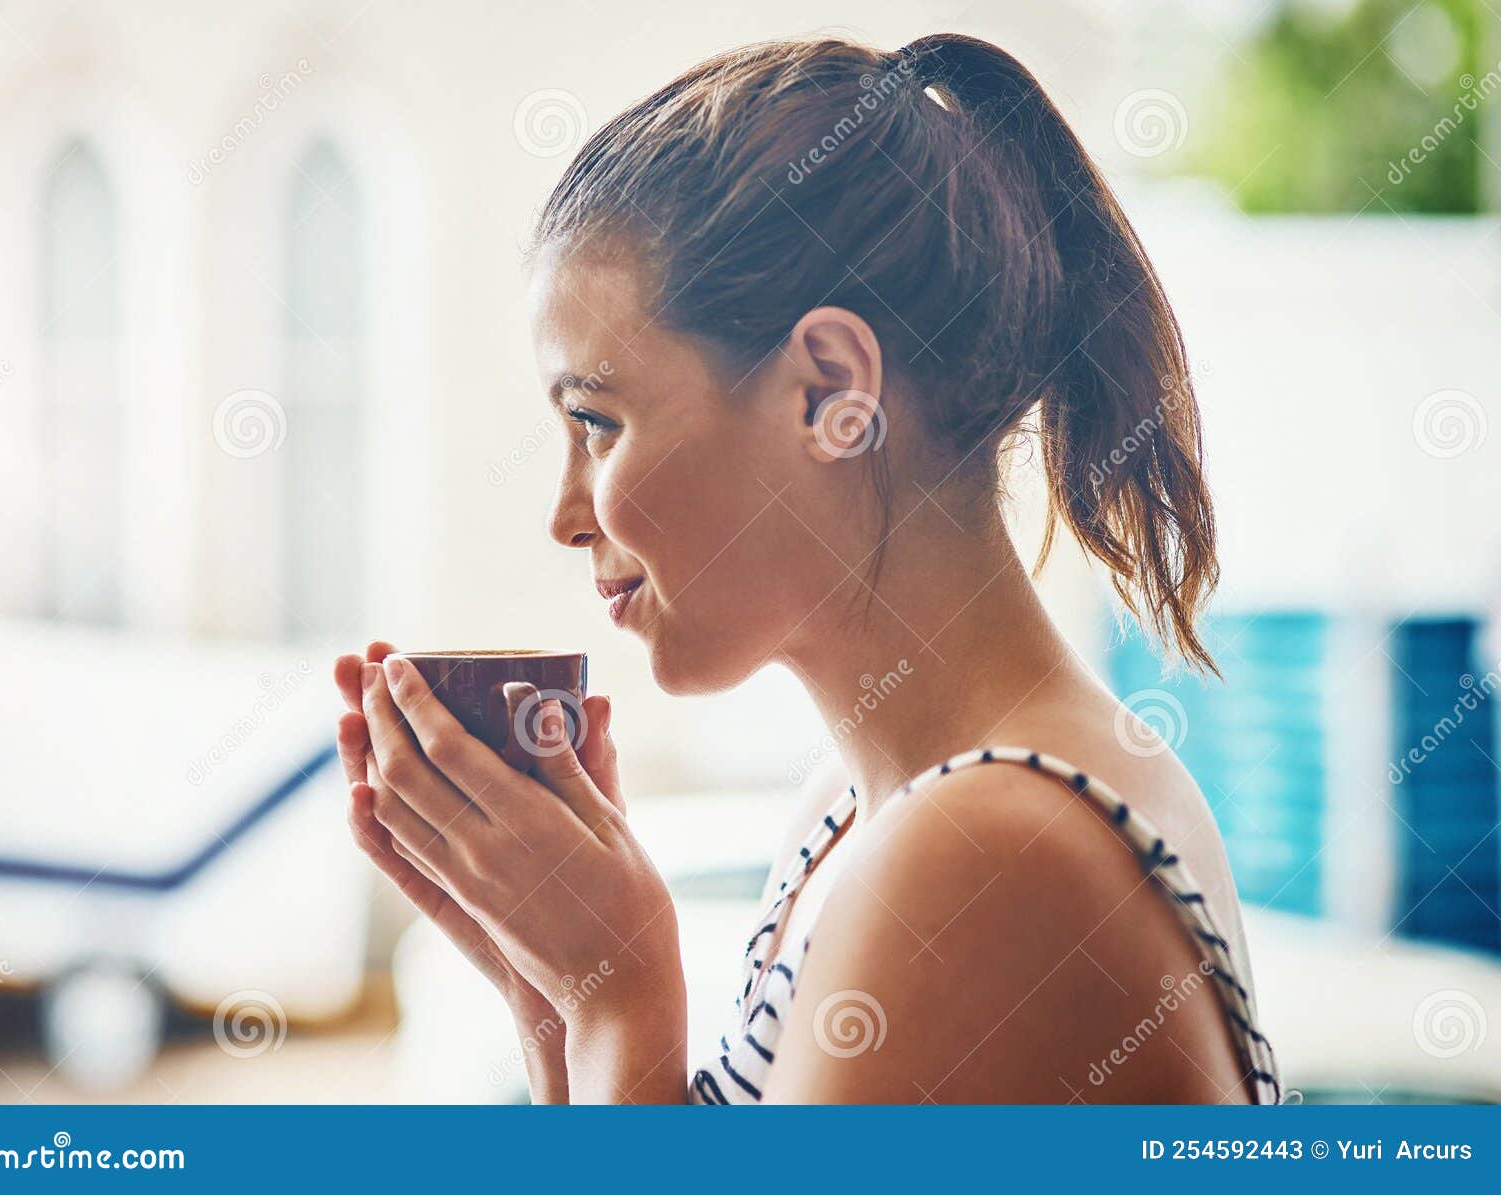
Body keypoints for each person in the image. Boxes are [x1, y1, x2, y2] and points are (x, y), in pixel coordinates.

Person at [333, 32, 1282, 1105]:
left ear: (829, 390)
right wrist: (551, 993)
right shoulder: (856, 810)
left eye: (598, 422)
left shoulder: (987, 855)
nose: (565, 516)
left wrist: (619, 1000)